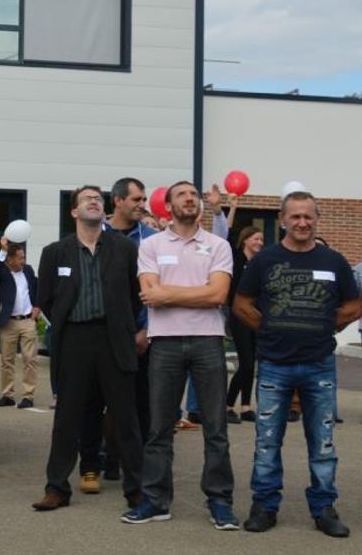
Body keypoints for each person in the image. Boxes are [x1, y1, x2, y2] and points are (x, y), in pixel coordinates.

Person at [234, 191, 361, 537]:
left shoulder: (334, 261)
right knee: (267, 441)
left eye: (308, 217)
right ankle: (264, 505)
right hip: (275, 365)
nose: (302, 223)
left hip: (319, 365)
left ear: (316, 218)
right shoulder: (265, 260)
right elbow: (242, 303)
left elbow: (354, 305)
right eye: (296, 217)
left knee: (322, 443)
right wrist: (271, 328)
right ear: (283, 219)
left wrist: (326, 325)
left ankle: (324, 508)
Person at [124, 181, 236, 529]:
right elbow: (148, 292)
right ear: (168, 206)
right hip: (165, 344)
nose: (190, 199)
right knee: (159, 427)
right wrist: (197, 291)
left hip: (208, 342)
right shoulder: (151, 244)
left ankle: (220, 501)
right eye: (181, 195)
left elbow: (218, 295)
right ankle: (156, 501)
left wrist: (168, 294)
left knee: (215, 427)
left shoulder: (218, 245)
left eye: (194, 195)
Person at [32, 186, 144, 513]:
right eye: (87, 199)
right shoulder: (56, 252)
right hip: (75, 342)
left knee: (126, 418)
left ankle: (136, 491)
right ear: (74, 212)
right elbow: (47, 298)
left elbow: (136, 294)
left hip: (114, 340)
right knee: (67, 419)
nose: (94, 201)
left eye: (98, 198)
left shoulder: (124, 249)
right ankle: (56, 488)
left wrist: (125, 325)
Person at [226, 225, 263, 423]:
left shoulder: (259, 263)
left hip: (256, 316)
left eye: (262, 240)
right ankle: (228, 405)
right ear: (245, 240)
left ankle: (246, 407)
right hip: (239, 316)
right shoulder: (236, 259)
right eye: (256, 239)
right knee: (246, 363)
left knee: (251, 364)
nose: (259, 243)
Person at [0, 242, 39, 408]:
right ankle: (8, 395)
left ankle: (28, 395)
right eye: (20, 258)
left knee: (30, 359)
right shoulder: (2, 272)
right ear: (10, 259)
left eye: (24, 257)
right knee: (7, 360)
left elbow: (37, 288)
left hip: (27, 320)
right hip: (9, 322)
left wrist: (38, 306)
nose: (23, 261)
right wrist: (3, 250)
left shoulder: (28, 270)